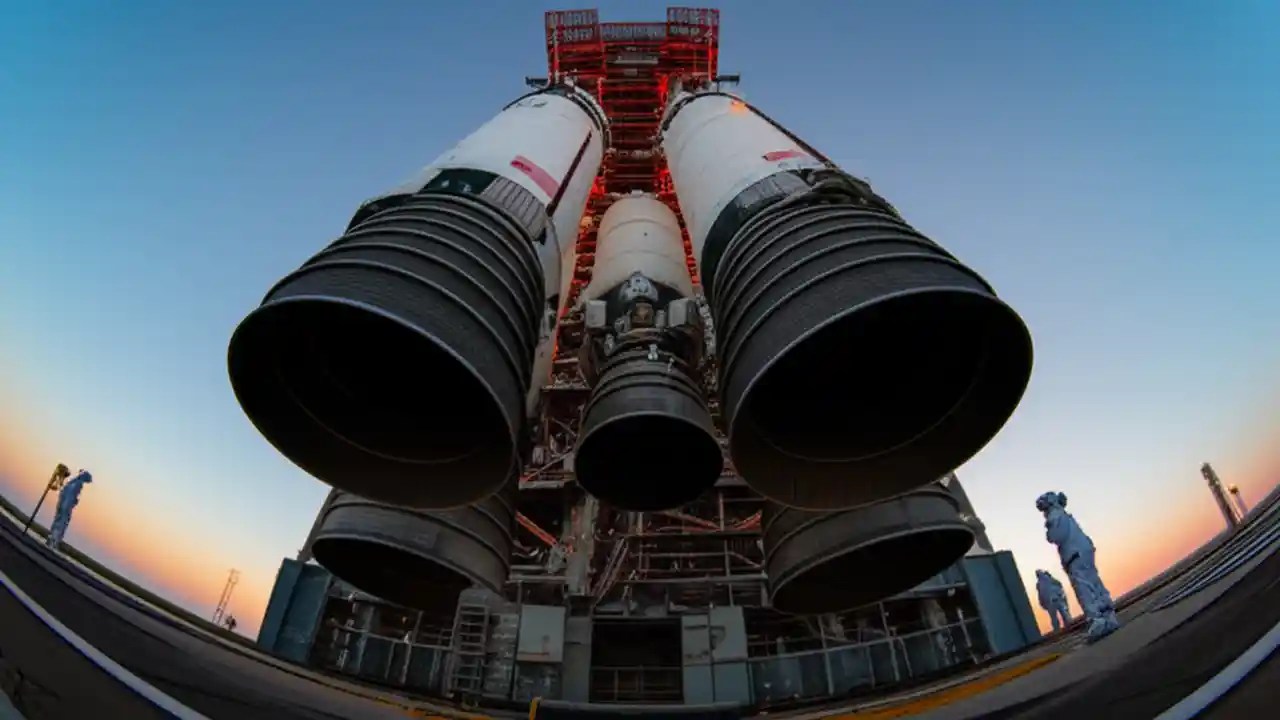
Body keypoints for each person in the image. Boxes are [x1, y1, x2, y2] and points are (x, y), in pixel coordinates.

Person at [1036, 491, 1120, 641]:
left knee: (1084, 589)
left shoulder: (1055, 516)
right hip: (1083, 551)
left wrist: (1048, 528)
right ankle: (1108, 615)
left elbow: (1055, 537)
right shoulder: (1064, 515)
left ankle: (1098, 621)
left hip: (1075, 556)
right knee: (1095, 584)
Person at [46, 469, 92, 551]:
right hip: (66, 507)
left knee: (57, 521)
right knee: (61, 524)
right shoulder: (78, 484)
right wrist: (72, 503)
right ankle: (53, 542)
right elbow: (71, 497)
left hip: (63, 506)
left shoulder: (72, 482)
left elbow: (64, 493)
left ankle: (51, 539)